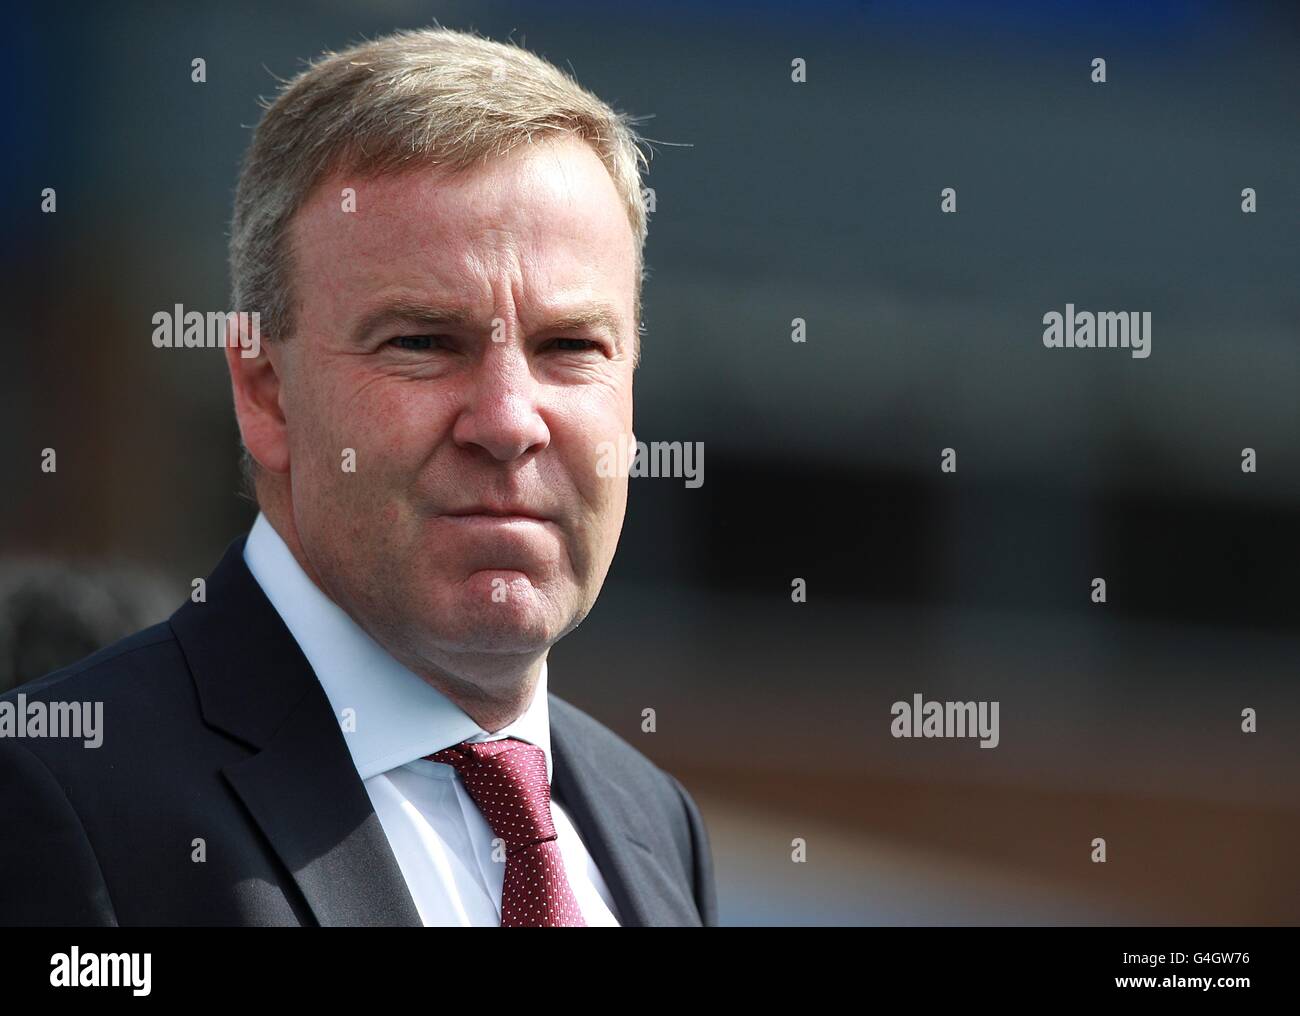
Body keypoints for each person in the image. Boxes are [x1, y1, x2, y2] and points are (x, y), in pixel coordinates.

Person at [0, 26, 716, 927]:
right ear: (266, 395)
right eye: (421, 342)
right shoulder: (57, 798)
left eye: (571, 346)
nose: (506, 421)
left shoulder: (653, 825)